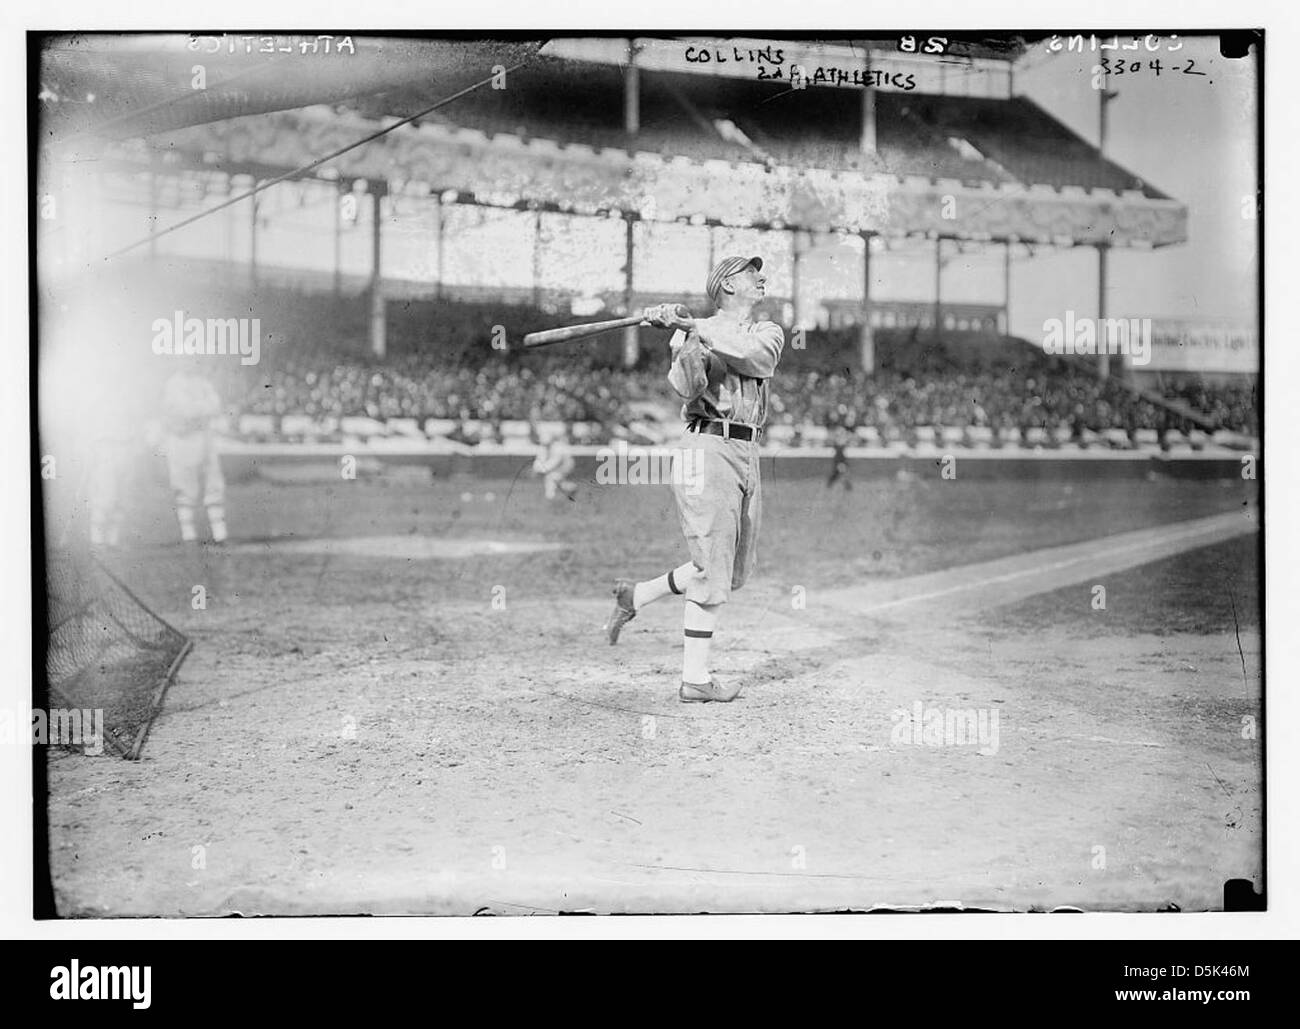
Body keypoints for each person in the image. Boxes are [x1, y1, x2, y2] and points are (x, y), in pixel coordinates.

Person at [604, 255, 785, 704]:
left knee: (734, 569)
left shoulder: (768, 332)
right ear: (726, 284)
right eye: (750, 274)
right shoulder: (693, 332)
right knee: (713, 567)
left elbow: (756, 360)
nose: (760, 279)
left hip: (748, 450)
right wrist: (682, 335)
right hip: (705, 446)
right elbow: (687, 387)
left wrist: (694, 326)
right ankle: (695, 680)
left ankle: (637, 594)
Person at [162, 368, 228, 544]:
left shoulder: (204, 382)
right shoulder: (174, 384)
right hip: (182, 439)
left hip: (203, 436)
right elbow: (183, 411)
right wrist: (201, 408)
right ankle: (188, 533)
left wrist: (197, 409)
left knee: (213, 483)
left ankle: (219, 534)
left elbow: (216, 405)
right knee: (184, 487)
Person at [532, 427, 577, 501]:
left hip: (566, 465)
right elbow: (539, 460)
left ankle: (549, 497)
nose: (545, 446)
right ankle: (572, 488)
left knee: (551, 477)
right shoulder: (543, 447)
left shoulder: (558, 448)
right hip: (557, 467)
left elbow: (554, 463)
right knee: (555, 479)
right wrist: (536, 468)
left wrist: (540, 470)